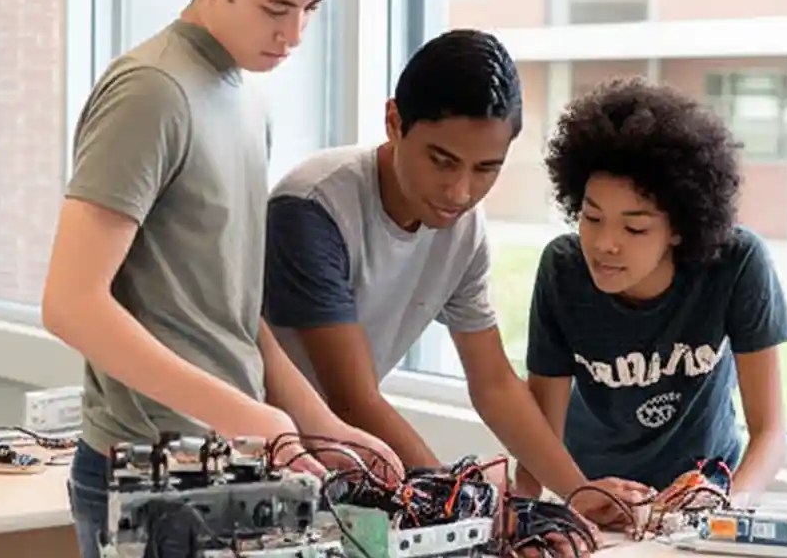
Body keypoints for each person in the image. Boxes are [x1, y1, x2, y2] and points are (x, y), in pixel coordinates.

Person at [40, 0, 401, 558]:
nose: (293, 34)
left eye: (311, 8)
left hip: (232, 461)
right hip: (149, 471)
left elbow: (230, 311)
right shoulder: (151, 92)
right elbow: (70, 304)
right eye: (275, 8)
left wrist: (318, 422)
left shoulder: (245, 98)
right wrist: (252, 419)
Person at [263, 29, 651, 531]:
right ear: (393, 122)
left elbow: (492, 382)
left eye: (486, 169)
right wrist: (475, 508)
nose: (460, 191)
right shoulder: (312, 209)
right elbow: (352, 397)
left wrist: (574, 490)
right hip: (256, 456)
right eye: (441, 161)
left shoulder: (463, 229)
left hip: (339, 465)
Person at [514, 77, 787, 501]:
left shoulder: (736, 263)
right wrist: (541, 509)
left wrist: (727, 507)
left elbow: (770, 430)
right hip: (594, 493)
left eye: (634, 226)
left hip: (707, 491)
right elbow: (539, 434)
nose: (605, 243)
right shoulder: (563, 272)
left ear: (679, 228)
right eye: (591, 218)